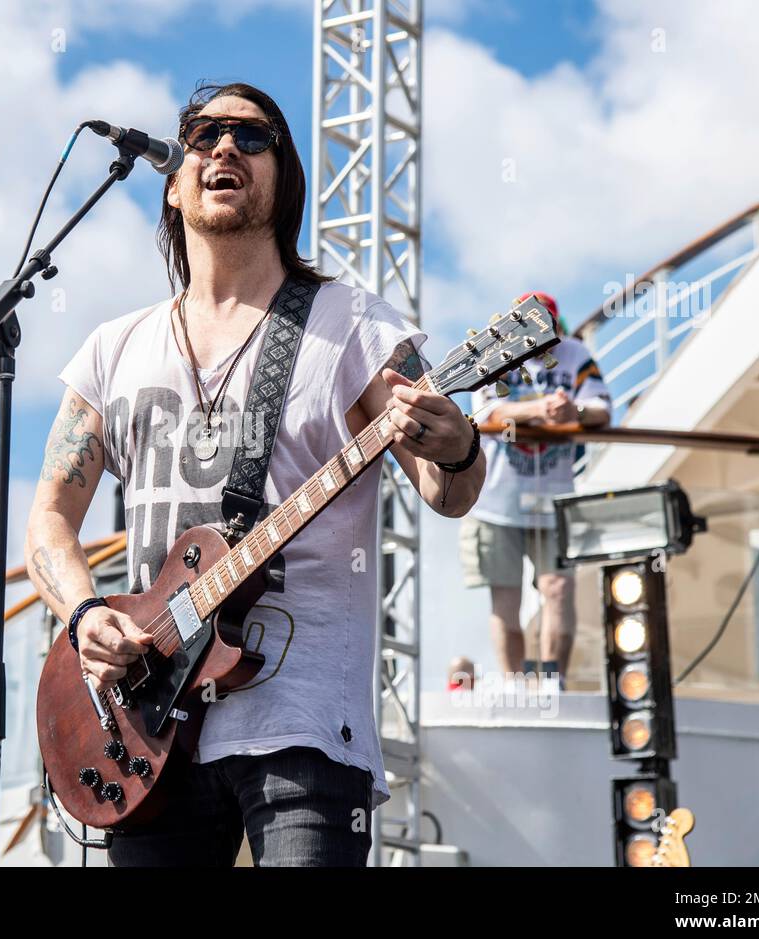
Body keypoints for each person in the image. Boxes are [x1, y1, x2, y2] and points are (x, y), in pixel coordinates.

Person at [24, 82, 484, 867]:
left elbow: (451, 494)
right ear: (174, 183)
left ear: (283, 181)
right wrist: (84, 613)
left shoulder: (353, 325)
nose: (226, 146)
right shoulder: (113, 349)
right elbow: (49, 520)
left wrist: (458, 447)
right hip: (143, 731)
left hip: (302, 726)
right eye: (203, 134)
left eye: (253, 136)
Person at [459, 292, 611, 685]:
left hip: (553, 500)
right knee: (505, 597)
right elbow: (486, 411)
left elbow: (602, 409)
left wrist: (574, 411)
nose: (546, 338)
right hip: (497, 501)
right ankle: (515, 686)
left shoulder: (576, 354)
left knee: (557, 588)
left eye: (551, 329)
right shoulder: (495, 350)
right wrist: (539, 409)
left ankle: (552, 683)